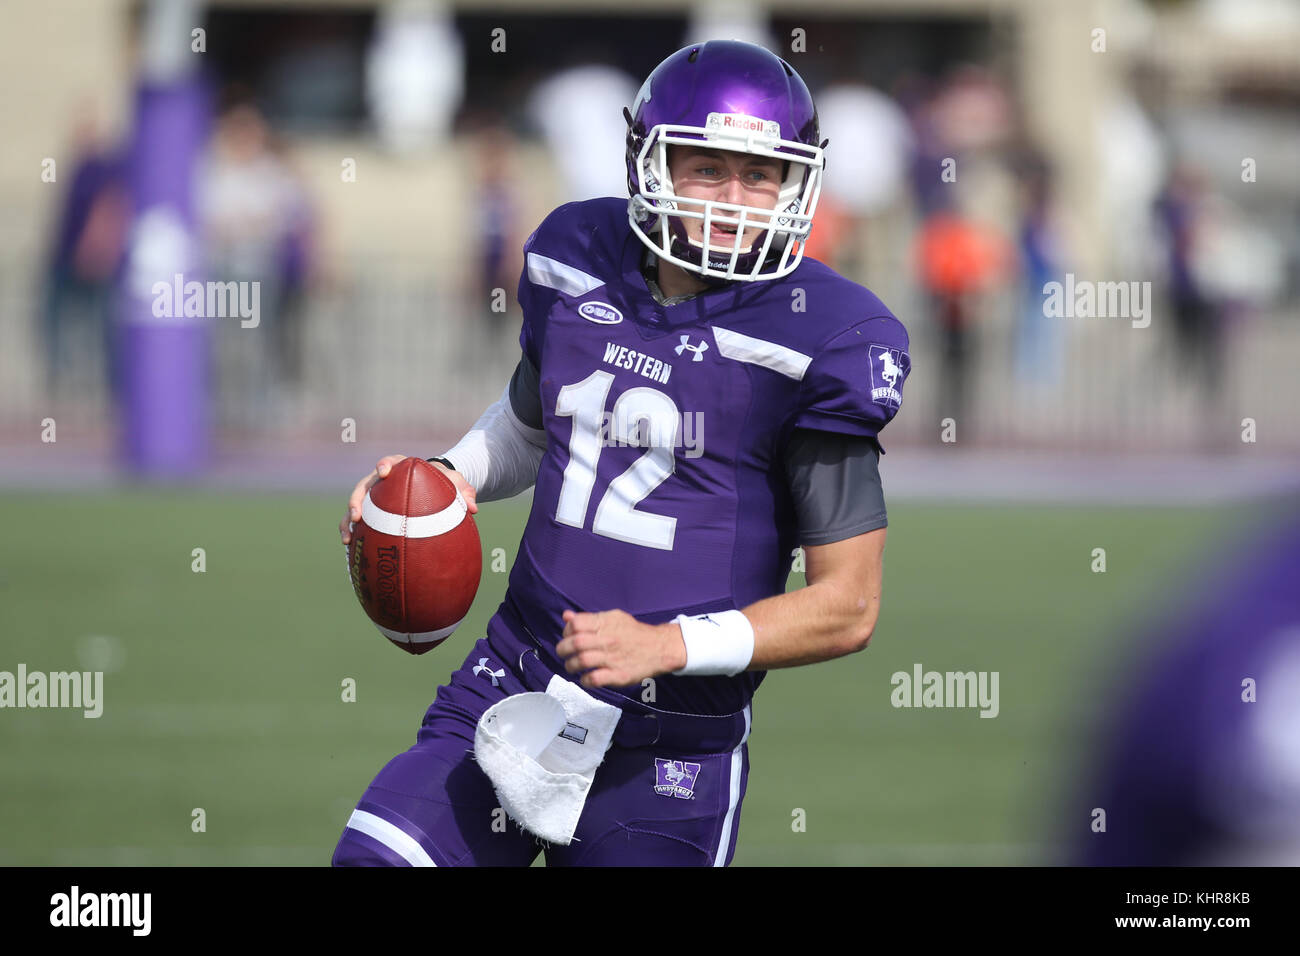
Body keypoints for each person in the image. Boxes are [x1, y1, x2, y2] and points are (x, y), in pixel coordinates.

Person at [332, 39, 911, 867]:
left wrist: (669, 645)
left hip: (674, 741)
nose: (734, 200)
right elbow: (535, 427)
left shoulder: (822, 334)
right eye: (705, 168)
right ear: (649, 164)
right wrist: (451, 477)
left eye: (759, 175)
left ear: (796, 182)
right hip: (517, 680)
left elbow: (848, 606)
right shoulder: (578, 255)